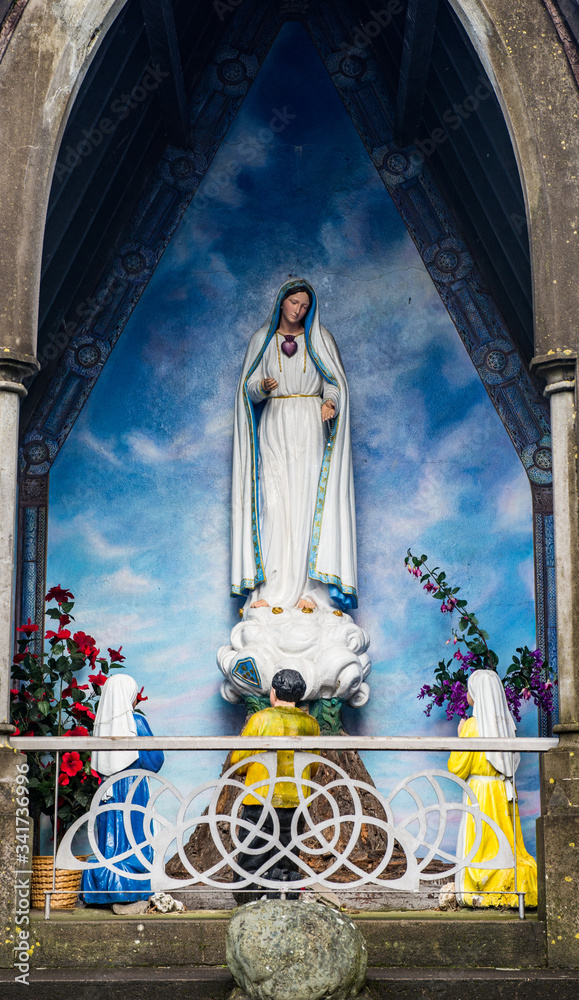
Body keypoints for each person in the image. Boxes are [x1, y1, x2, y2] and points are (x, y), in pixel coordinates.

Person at [231, 278, 357, 612]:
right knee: (274, 506)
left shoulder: (321, 339)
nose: (298, 310)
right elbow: (248, 390)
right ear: (281, 302)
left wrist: (330, 403)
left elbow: (334, 384)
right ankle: (270, 591)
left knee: (307, 503)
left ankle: (311, 594)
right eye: (293, 303)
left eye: (304, 305)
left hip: (309, 426)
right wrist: (262, 387)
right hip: (275, 423)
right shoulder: (262, 340)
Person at [447, 669, 538, 907]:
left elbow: (457, 767)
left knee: (481, 842)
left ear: (476, 693)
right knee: (507, 841)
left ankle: (480, 888)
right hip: (504, 791)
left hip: (480, 792)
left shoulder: (472, 727)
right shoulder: (507, 725)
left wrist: (460, 736)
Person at [230, 668, 320, 899]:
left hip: (260, 799)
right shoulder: (311, 724)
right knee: (288, 855)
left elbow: (238, 762)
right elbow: (315, 765)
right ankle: (283, 898)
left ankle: (248, 900)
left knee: (252, 853)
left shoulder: (260, 719)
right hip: (297, 801)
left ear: (273, 692)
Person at [81, 673, 164, 910]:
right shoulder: (135, 723)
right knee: (135, 837)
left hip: (107, 790)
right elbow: (156, 760)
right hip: (133, 788)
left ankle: (104, 886)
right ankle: (133, 880)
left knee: (110, 839)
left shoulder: (103, 725)